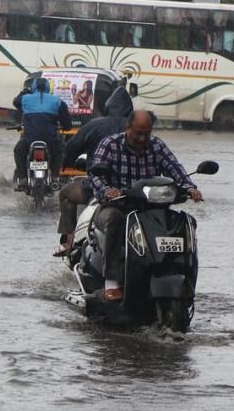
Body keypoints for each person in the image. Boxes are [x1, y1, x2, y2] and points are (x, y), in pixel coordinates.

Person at [86, 110, 203, 302]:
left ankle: (179, 271)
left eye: (146, 134)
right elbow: (95, 175)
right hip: (117, 206)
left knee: (183, 222)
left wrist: (190, 188)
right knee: (114, 220)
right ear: (128, 128)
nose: (142, 139)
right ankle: (111, 282)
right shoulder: (110, 144)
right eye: (138, 134)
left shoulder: (157, 145)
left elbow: (175, 168)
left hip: (151, 208)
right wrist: (108, 190)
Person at [53, 82, 134, 256]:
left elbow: (72, 147)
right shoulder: (138, 129)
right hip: (134, 190)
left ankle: (68, 241)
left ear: (108, 107)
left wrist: (66, 164)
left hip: (98, 187)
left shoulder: (95, 125)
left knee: (66, 194)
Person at [11, 75, 71, 189]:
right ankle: (54, 177)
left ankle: (23, 179)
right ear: (49, 88)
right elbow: (68, 125)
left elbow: (15, 102)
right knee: (60, 151)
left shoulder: (25, 99)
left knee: (18, 151)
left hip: (29, 140)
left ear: (33, 87)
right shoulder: (58, 102)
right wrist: (65, 126)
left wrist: (25, 91)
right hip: (50, 140)